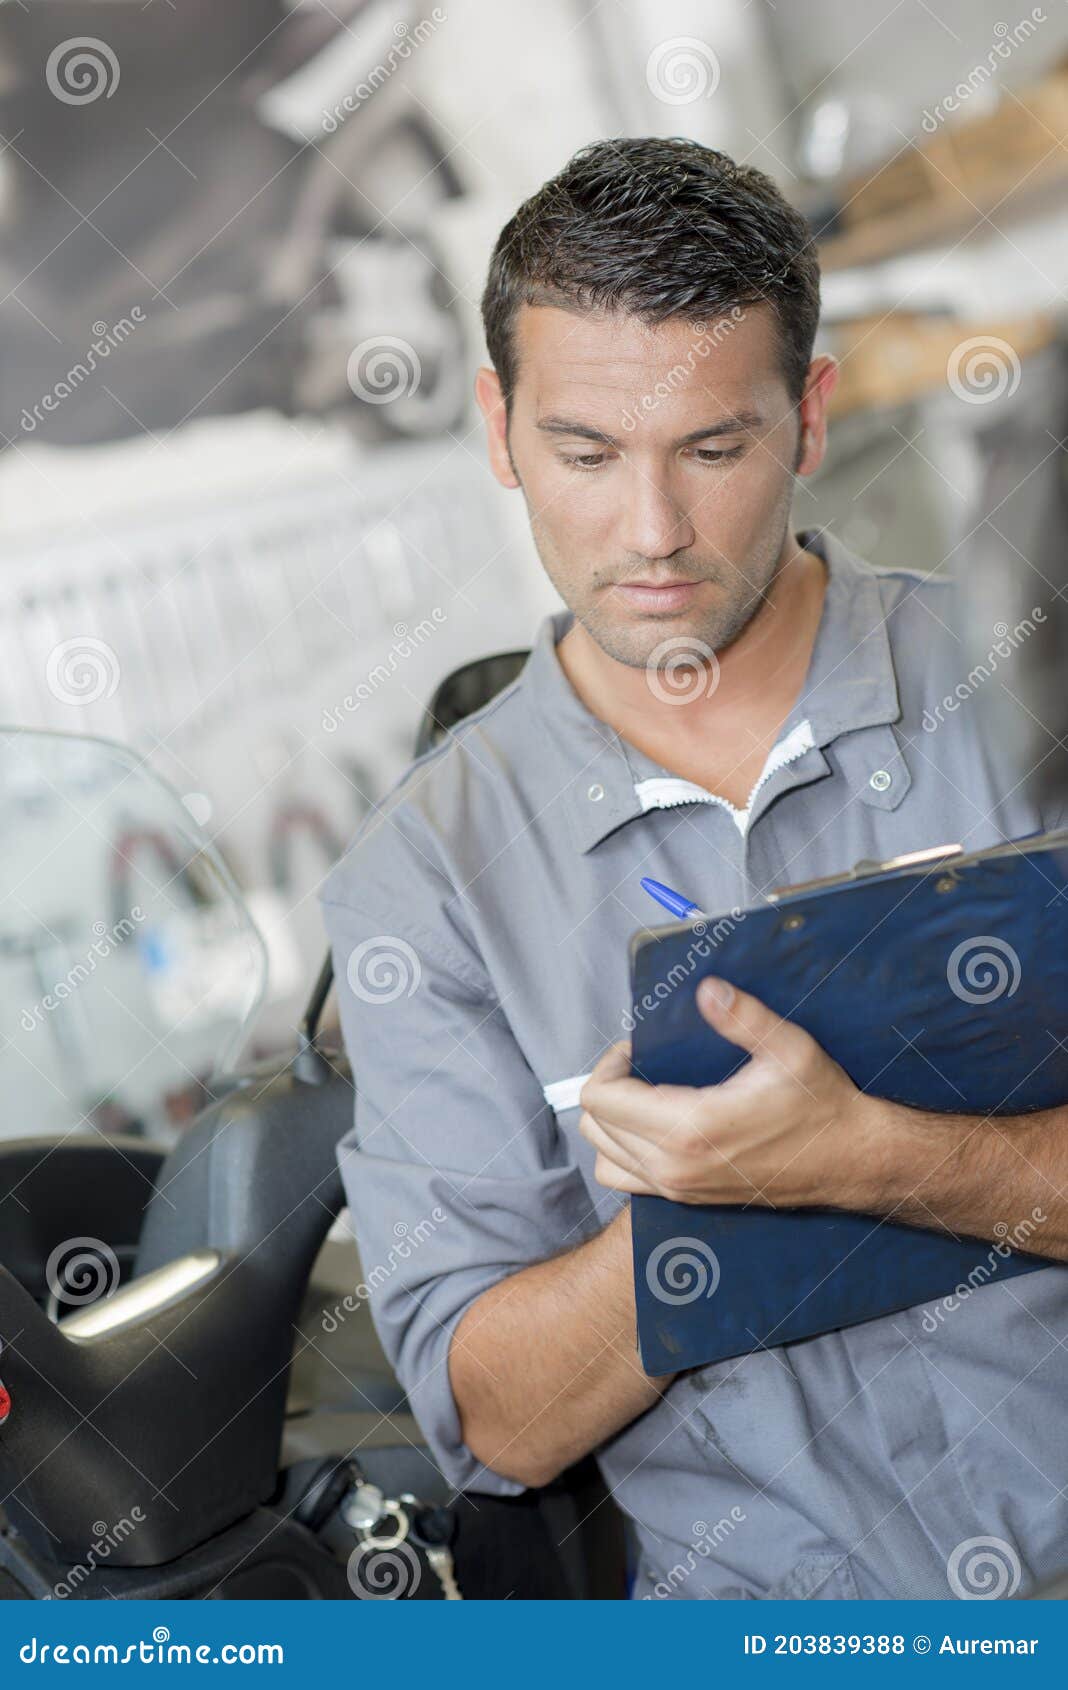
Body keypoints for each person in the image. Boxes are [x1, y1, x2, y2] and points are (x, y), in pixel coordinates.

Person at [320, 136, 1068, 1600]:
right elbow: (496, 1419)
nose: (651, 531)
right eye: (586, 453)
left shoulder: (1026, 689)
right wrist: (710, 1192)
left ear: (810, 412)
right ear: (499, 427)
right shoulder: (427, 881)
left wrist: (877, 1157)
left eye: (713, 449)